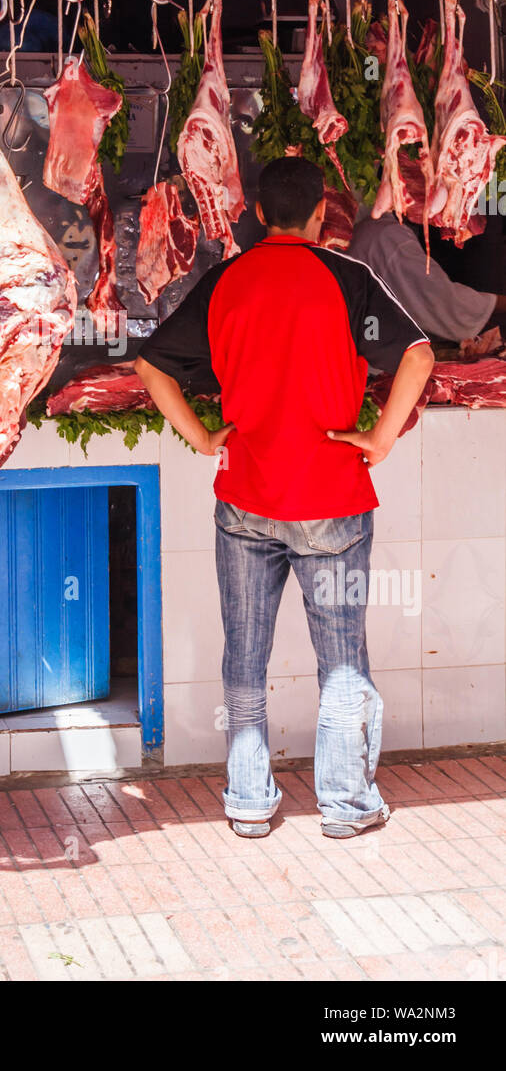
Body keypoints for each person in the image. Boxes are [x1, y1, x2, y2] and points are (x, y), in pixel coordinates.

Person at [134, 157, 434, 841]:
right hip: (333, 498)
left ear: (260, 215)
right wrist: (381, 440)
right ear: (323, 217)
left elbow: (150, 364)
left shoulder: (227, 280)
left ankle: (246, 801)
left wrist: (204, 437)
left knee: (244, 656)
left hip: (245, 499)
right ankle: (347, 804)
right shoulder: (349, 279)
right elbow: (417, 354)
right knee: (343, 658)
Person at [349, 206, 506, 346]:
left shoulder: (383, 230)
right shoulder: (384, 236)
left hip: (383, 351)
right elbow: (444, 302)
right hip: (379, 363)